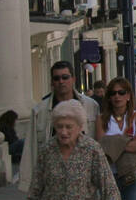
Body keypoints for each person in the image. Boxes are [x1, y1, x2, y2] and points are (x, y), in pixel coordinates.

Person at [19, 61, 101, 191]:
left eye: (65, 77)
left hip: (84, 177)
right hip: (52, 177)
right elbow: (31, 147)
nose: (61, 81)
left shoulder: (91, 106)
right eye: (56, 78)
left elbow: (98, 142)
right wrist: (28, 183)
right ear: (52, 82)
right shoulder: (39, 111)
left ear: (73, 79)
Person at [0, 110, 24, 182]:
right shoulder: (5, 128)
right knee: (23, 142)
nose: (16, 122)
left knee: (22, 142)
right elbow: (10, 139)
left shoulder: (9, 127)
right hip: (9, 147)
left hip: (11, 145)